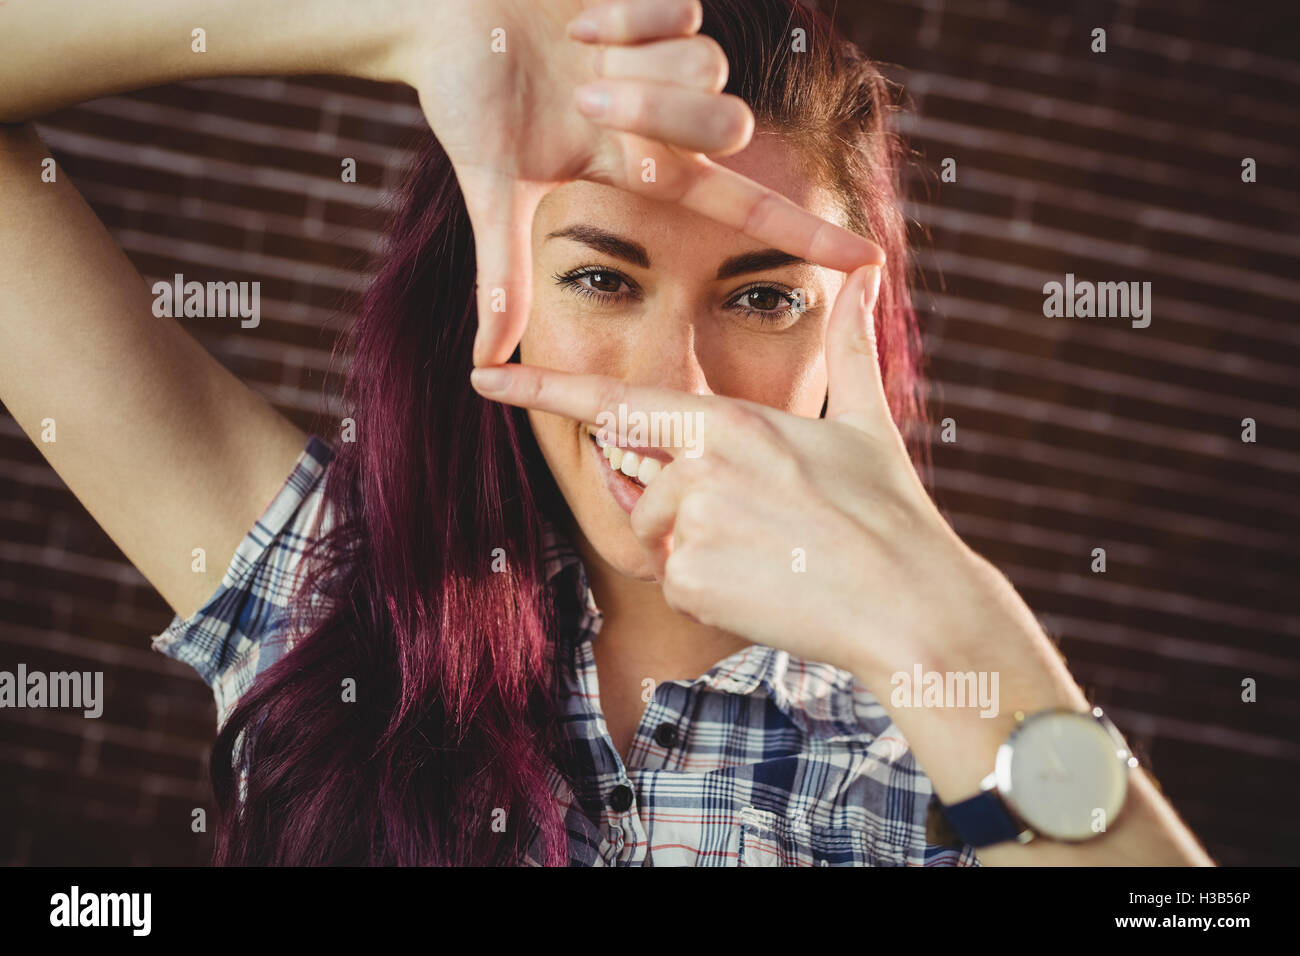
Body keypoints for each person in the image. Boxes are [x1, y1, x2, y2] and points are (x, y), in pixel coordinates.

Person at [0, 0, 1213, 866]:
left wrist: (948, 615)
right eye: (600, 280)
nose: (673, 385)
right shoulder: (326, 602)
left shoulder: (949, 763)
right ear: (493, 293)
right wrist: (409, 20)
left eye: (761, 296)